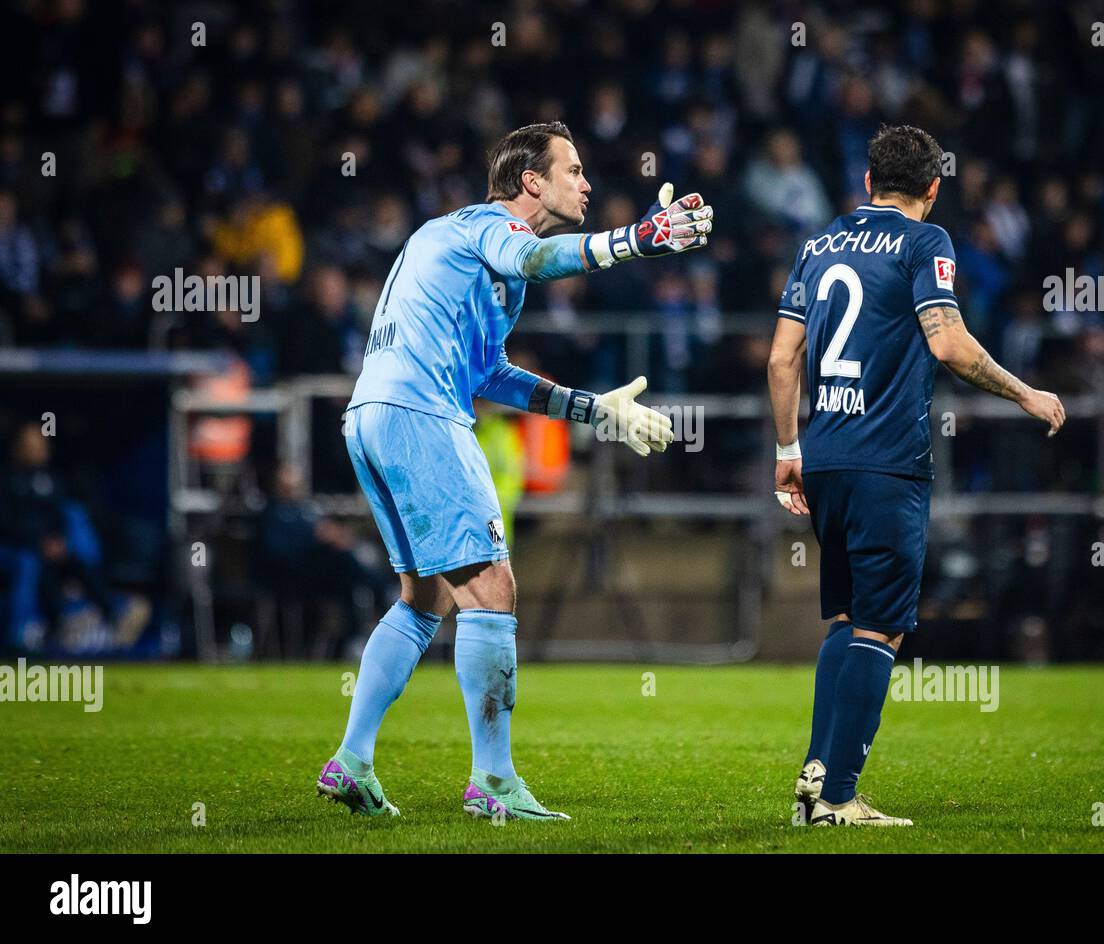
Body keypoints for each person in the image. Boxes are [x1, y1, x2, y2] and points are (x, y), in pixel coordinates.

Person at [317, 121, 711, 820]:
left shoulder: (468, 252)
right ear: (532, 182)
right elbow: (535, 261)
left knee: (423, 599)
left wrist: (592, 412)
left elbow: (487, 372)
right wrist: (635, 240)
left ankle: (351, 760)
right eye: (574, 170)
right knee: (494, 588)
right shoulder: (485, 231)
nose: (587, 184)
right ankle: (493, 782)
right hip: (421, 417)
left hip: (372, 415)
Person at [766, 125, 1064, 827]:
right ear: (933, 188)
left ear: (869, 182)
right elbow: (950, 344)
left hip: (826, 459)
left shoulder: (819, 243)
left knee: (845, 619)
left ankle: (817, 774)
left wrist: (788, 449)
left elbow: (782, 360)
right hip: (888, 463)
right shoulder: (924, 241)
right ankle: (838, 800)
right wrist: (1026, 394)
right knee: (882, 628)